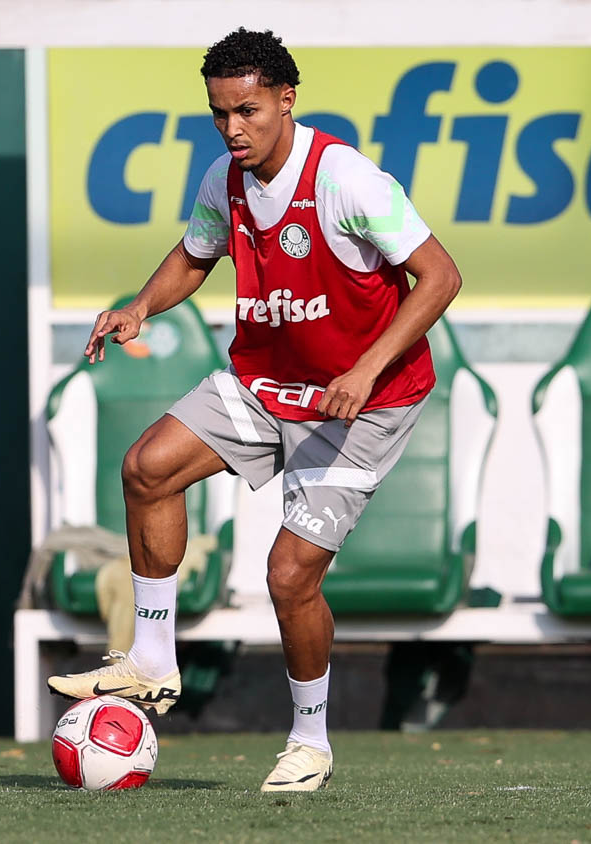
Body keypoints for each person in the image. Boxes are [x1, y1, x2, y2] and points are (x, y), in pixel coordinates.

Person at [47, 27, 460, 792]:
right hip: (267, 381)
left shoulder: (347, 178)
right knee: (147, 469)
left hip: (361, 406)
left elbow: (440, 277)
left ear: (286, 100)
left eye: (248, 110)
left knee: (288, 576)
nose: (234, 128)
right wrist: (141, 307)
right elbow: (197, 254)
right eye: (219, 114)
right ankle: (152, 658)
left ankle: (310, 743)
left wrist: (367, 369)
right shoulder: (224, 179)